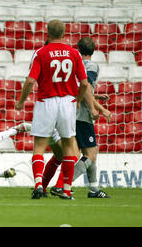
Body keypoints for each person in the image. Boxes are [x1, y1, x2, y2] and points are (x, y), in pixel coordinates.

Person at [15, 20, 99, 200]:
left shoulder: (41, 52)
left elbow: (30, 81)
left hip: (46, 102)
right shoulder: (74, 53)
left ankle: (38, 184)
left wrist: (21, 101)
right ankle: (67, 190)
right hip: (67, 103)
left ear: (47, 32)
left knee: (39, 146)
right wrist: (76, 101)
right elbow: (84, 84)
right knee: (69, 146)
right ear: (64, 33)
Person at [43, 37, 111, 198]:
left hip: (67, 111)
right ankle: (62, 185)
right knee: (90, 154)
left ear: (78, 49)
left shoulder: (72, 64)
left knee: (89, 151)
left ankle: (93, 189)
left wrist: (97, 98)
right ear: (94, 50)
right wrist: (95, 108)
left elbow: (79, 88)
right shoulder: (91, 65)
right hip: (81, 115)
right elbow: (84, 86)